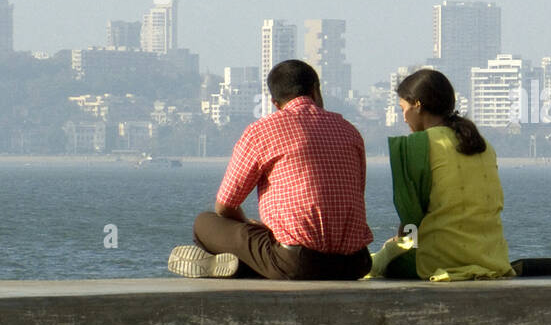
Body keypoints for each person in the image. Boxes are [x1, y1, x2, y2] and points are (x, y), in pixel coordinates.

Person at [167, 59, 373, 280]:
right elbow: (357, 193)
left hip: (298, 263)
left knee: (204, 222)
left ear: (275, 102)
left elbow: (225, 206)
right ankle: (247, 266)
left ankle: (239, 267)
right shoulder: (349, 131)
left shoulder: (263, 130)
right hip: (356, 263)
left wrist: (249, 225)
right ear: (315, 89)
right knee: (278, 249)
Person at [374, 68, 513, 281]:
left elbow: (411, 218)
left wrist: (401, 245)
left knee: (382, 260)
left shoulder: (417, 145)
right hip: (492, 259)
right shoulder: (483, 144)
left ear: (417, 105)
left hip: (437, 262)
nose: (403, 118)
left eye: (403, 108)